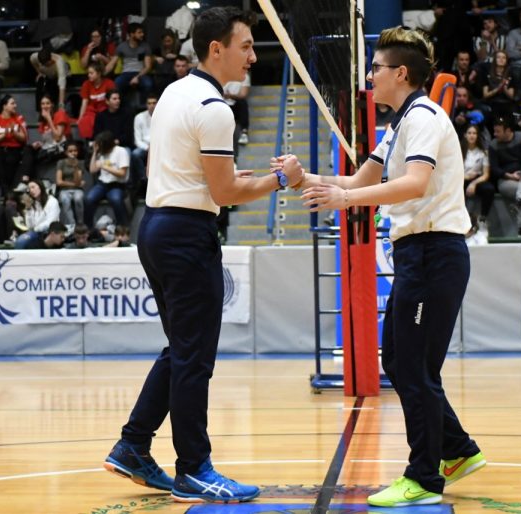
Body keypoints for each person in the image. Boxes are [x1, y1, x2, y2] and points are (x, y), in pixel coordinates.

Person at [102, 6, 302, 503]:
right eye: (247, 46)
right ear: (218, 49)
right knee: (195, 358)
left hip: (157, 227)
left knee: (181, 350)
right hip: (186, 233)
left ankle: (133, 445)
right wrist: (284, 179)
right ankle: (193, 469)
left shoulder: (176, 90)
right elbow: (227, 191)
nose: (254, 55)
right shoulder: (214, 108)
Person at [285, 26, 483, 507]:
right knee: (398, 360)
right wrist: (301, 178)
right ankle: (457, 449)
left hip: (435, 253)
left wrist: (347, 198)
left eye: (375, 68)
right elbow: (359, 178)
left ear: (400, 73)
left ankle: (423, 479)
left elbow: (415, 184)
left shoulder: (425, 120)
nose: (369, 75)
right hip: (418, 256)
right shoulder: (398, 124)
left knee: (414, 367)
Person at [489, 117, 521, 236]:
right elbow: (494, 169)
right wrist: (510, 176)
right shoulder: (493, 145)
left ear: (508, 130)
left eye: (498, 131)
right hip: (506, 180)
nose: (495, 134)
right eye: (494, 131)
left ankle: (520, 204)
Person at [18, 94, 71, 186]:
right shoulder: (43, 120)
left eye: (47, 103)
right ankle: (25, 180)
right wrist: (41, 144)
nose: (45, 106)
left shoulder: (60, 114)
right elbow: (49, 140)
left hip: (61, 148)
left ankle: (31, 182)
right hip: (50, 147)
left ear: (53, 105)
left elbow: (58, 137)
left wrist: (49, 118)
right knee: (28, 149)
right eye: (42, 104)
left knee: (31, 159)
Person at [0, 94, 28, 197]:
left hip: (14, 149)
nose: (15, 106)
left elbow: (24, 138)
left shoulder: (18, 119)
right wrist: (5, 135)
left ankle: (6, 191)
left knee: (11, 159)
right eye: (12, 103)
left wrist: (14, 133)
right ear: (4, 106)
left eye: (15, 103)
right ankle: (6, 190)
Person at [84, 130, 130, 228]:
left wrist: (104, 167)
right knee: (89, 199)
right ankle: (88, 229)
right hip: (102, 184)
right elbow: (92, 170)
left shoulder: (121, 151)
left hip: (117, 184)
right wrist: (95, 152)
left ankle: (123, 228)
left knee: (116, 200)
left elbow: (122, 173)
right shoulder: (101, 153)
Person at [462, 125, 493, 245]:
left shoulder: (483, 153)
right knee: (457, 189)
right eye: (469, 133)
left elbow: (485, 174)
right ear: (465, 135)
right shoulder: (459, 151)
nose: (471, 135)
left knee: (489, 189)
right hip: (461, 179)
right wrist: (465, 177)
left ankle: (482, 219)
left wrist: (474, 183)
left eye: (474, 133)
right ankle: (463, 222)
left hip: (477, 179)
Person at [13, 179, 61, 249]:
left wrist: (35, 229)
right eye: (29, 189)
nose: (31, 190)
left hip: (48, 232)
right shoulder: (33, 203)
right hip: (35, 232)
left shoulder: (52, 201)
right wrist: (28, 209)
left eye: (33, 187)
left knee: (22, 241)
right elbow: (30, 226)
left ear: (40, 187)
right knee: (19, 241)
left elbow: (51, 222)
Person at [114, 23, 154, 106]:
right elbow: (112, 62)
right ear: (132, 34)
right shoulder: (122, 46)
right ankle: (122, 107)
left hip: (141, 73)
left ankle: (144, 107)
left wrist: (137, 77)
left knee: (148, 84)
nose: (142, 34)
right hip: (126, 73)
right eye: (139, 32)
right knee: (117, 82)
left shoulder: (145, 46)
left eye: (142, 32)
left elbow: (148, 67)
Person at [77, 63, 116, 140]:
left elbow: (113, 99)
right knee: (85, 121)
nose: (89, 75)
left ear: (99, 74)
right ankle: (90, 141)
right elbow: (84, 102)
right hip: (91, 110)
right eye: (88, 73)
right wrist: (80, 118)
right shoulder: (86, 84)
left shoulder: (109, 83)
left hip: (105, 109)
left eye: (91, 73)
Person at [30, 46, 69, 111]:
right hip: (47, 76)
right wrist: (39, 72)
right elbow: (32, 61)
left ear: (51, 59)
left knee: (53, 87)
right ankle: (41, 111)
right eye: (43, 65)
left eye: (47, 64)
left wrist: (61, 104)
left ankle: (53, 109)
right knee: (39, 82)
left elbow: (62, 85)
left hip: (59, 78)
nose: (46, 66)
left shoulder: (59, 62)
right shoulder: (35, 57)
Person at [56, 141, 85, 225]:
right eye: (70, 151)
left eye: (75, 151)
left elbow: (77, 181)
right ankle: (72, 224)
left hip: (77, 190)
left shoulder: (80, 163)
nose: (73, 153)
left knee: (78, 199)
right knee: (65, 200)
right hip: (64, 190)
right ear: (66, 152)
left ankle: (80, 223)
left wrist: (75, 167)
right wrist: (75, 184)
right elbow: (59, 182)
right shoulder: (61, 163)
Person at [223, 71, 251, 148]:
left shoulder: (244, 76)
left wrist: (230, 96)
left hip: (235, 104)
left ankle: (244, 133)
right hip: (222, 104)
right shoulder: (221, 74)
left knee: (242, 102)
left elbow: (243, 95)